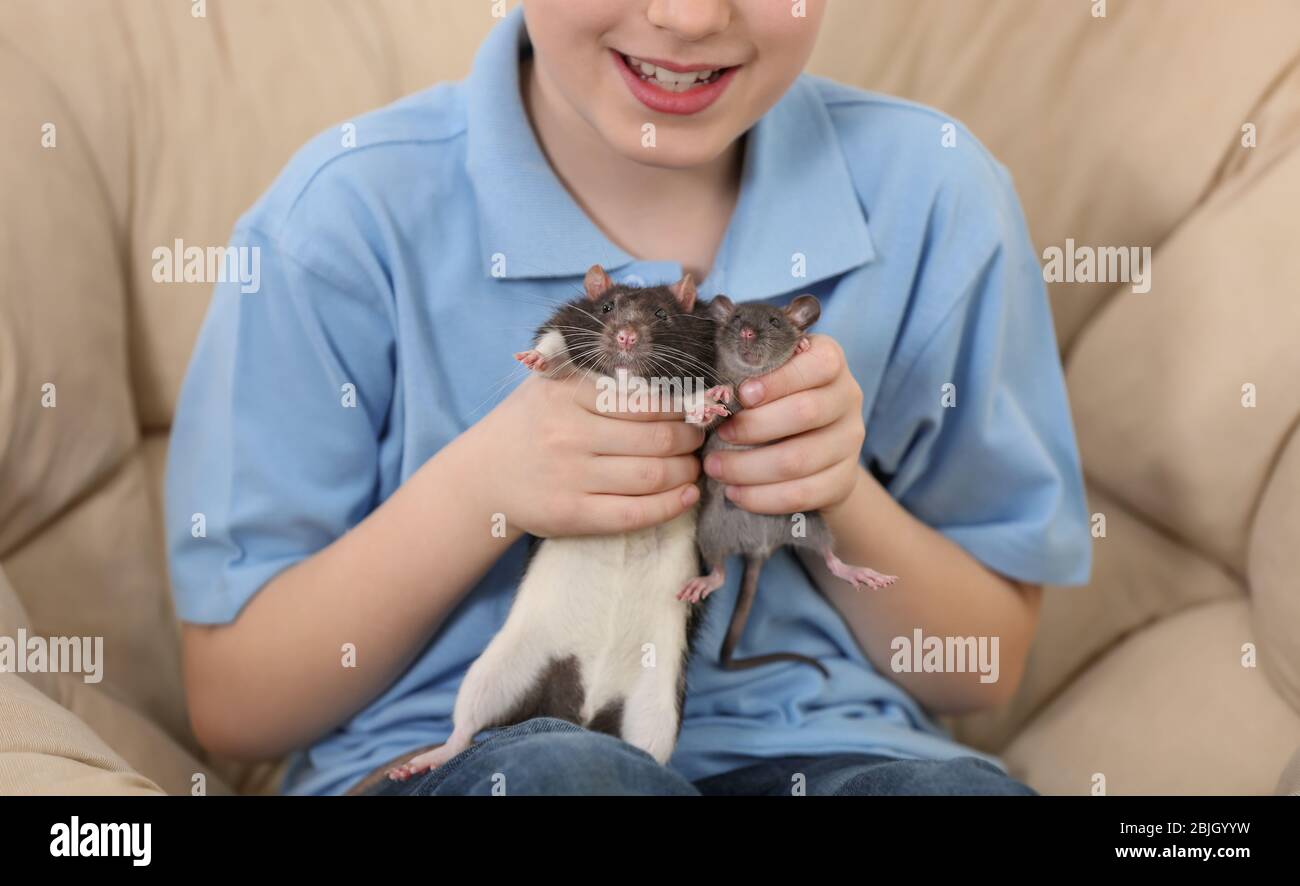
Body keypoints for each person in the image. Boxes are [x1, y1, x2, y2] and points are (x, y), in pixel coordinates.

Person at [165, 0, 1091, 796]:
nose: (690, 17)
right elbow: (237, 705)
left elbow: (984, 666)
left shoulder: (934, 194)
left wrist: (835, 490)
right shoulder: (342, 219)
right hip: (465, 759)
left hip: (834, 752)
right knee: (569, 779)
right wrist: (480, 490)